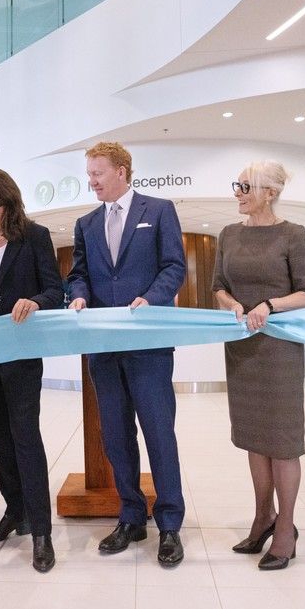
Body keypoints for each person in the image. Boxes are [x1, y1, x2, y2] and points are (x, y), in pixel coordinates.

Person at [67, 141, 188, 566]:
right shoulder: (85, 223)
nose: (92, 181)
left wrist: (151, 299)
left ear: (121, 170)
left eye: (98, 173)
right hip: (103, 348)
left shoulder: (157, 211)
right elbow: (78, 274)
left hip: (149, 345)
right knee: (116, 437)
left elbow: (174, 266)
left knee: (158, 433)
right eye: (89, 174)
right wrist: (78, 297)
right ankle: (132, 515)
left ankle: (170, 524)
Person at [212, 163, 305, 570]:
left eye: (246, 186)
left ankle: (287, 528)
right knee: (254, 439)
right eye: (236, 184)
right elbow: (218, 284)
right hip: (242, 347)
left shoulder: (293, 234)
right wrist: (233, 303)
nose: (238, 192)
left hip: (279, 348)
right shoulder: (229, 234)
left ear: (270, 192)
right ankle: (262, 517)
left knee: (282, 442)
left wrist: (269, 306)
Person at [0, 168, 63, 573]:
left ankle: (41, 530)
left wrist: (36, 301)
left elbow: (55, 291)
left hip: (19, 347)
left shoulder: (35, 237)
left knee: (25, 437)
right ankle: (15, 512)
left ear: (8, 200)